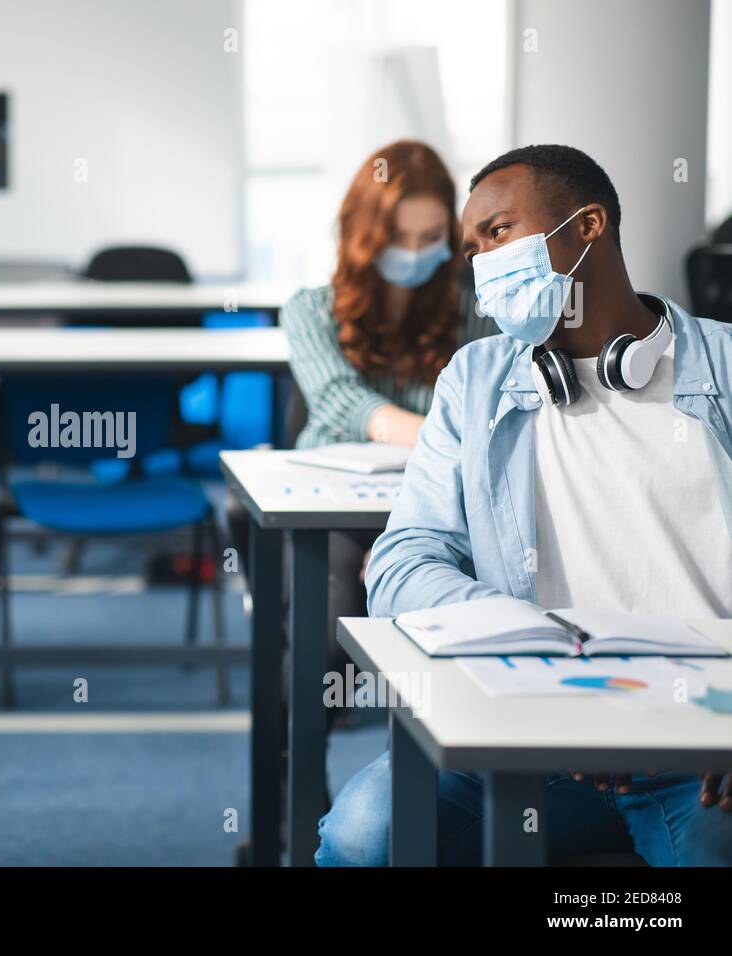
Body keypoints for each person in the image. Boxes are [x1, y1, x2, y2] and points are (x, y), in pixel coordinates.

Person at [316, 144, 732, 866]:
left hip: (703, 747)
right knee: (362, 832)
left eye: (498, 231)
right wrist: (541, 659)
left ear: (587, 225)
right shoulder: (477, 380)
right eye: (472, 246)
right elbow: (403, 560)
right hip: (532, 738)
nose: (481, 261)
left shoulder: (724, 368)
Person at [233, 141, 495, 670]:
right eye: (400, 238)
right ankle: (295, 747)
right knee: (331, 634)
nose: (416, 252)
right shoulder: (310, 311)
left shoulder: (474, 313)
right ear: (364, 233)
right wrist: (442, 438)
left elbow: (489, 408)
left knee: (470, 621)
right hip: (342, 511)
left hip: (442, 504)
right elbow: (341, 402)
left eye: (429, 238)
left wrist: (404, 543)